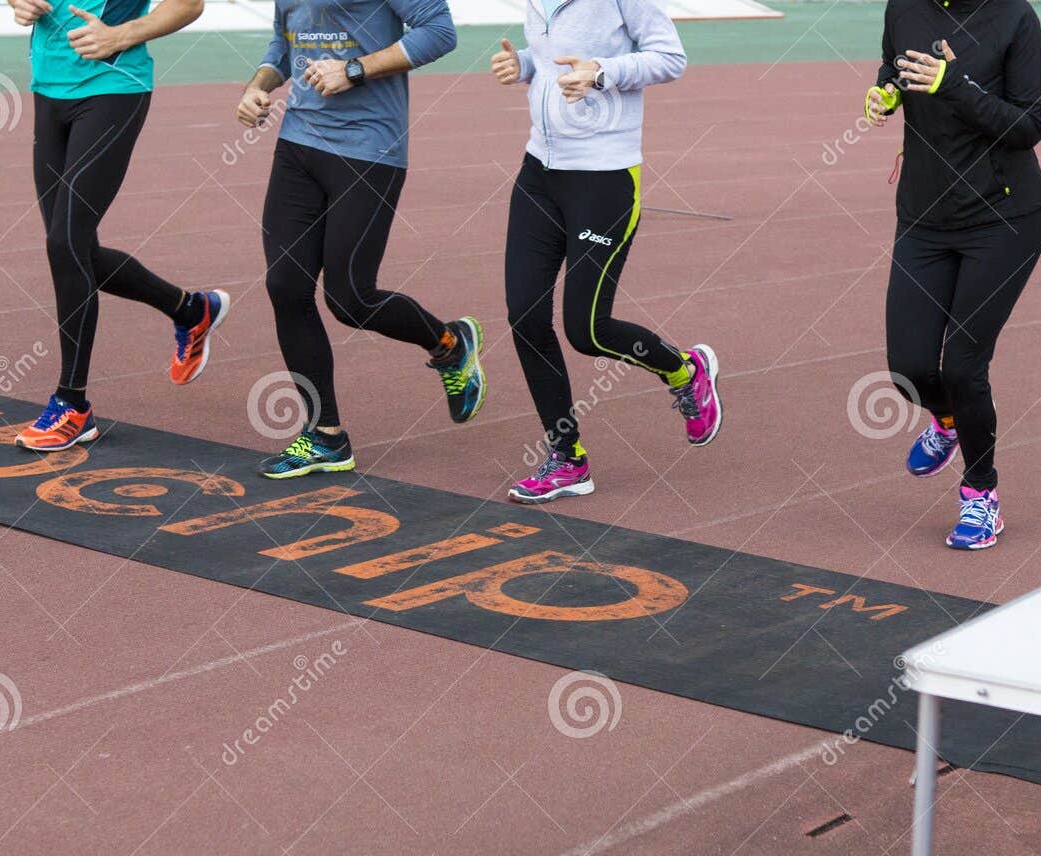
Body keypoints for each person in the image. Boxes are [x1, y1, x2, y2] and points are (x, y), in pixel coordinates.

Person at [236, 0, 483, 479]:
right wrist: (256, 88)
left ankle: (450, 342)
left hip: (369, 147)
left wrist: (356, 69)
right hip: (298, 144)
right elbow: (282, 45)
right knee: (286, 287)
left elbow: (441, 30)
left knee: (350, 298)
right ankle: (325, 435)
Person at [491, 5, 720, 507]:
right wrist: (527, 66)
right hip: (539, 172)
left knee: (588, 330)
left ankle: (684, 371)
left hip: (605, 176)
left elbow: (669, 57)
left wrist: (602, 74)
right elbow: (554, 57)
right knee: (525, 316)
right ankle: (567, 457)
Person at [866, 0, 1041, 549]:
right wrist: (886, 93)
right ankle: (946, 420)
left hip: (1004, 218)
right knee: (909, 366)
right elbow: (892, 68)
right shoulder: (903, 7)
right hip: (924, 216)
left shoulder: (1016, 17)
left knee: (965, 364)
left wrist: (954, 83)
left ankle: (981, 496)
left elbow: (1028, 125)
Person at [8, 0, 229, 452]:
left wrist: (121, 35)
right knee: (74, 248)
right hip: (48, 87)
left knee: (65, 241)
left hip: (114, 86)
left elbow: (189, 5)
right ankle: (190, 310)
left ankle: (73, 404)